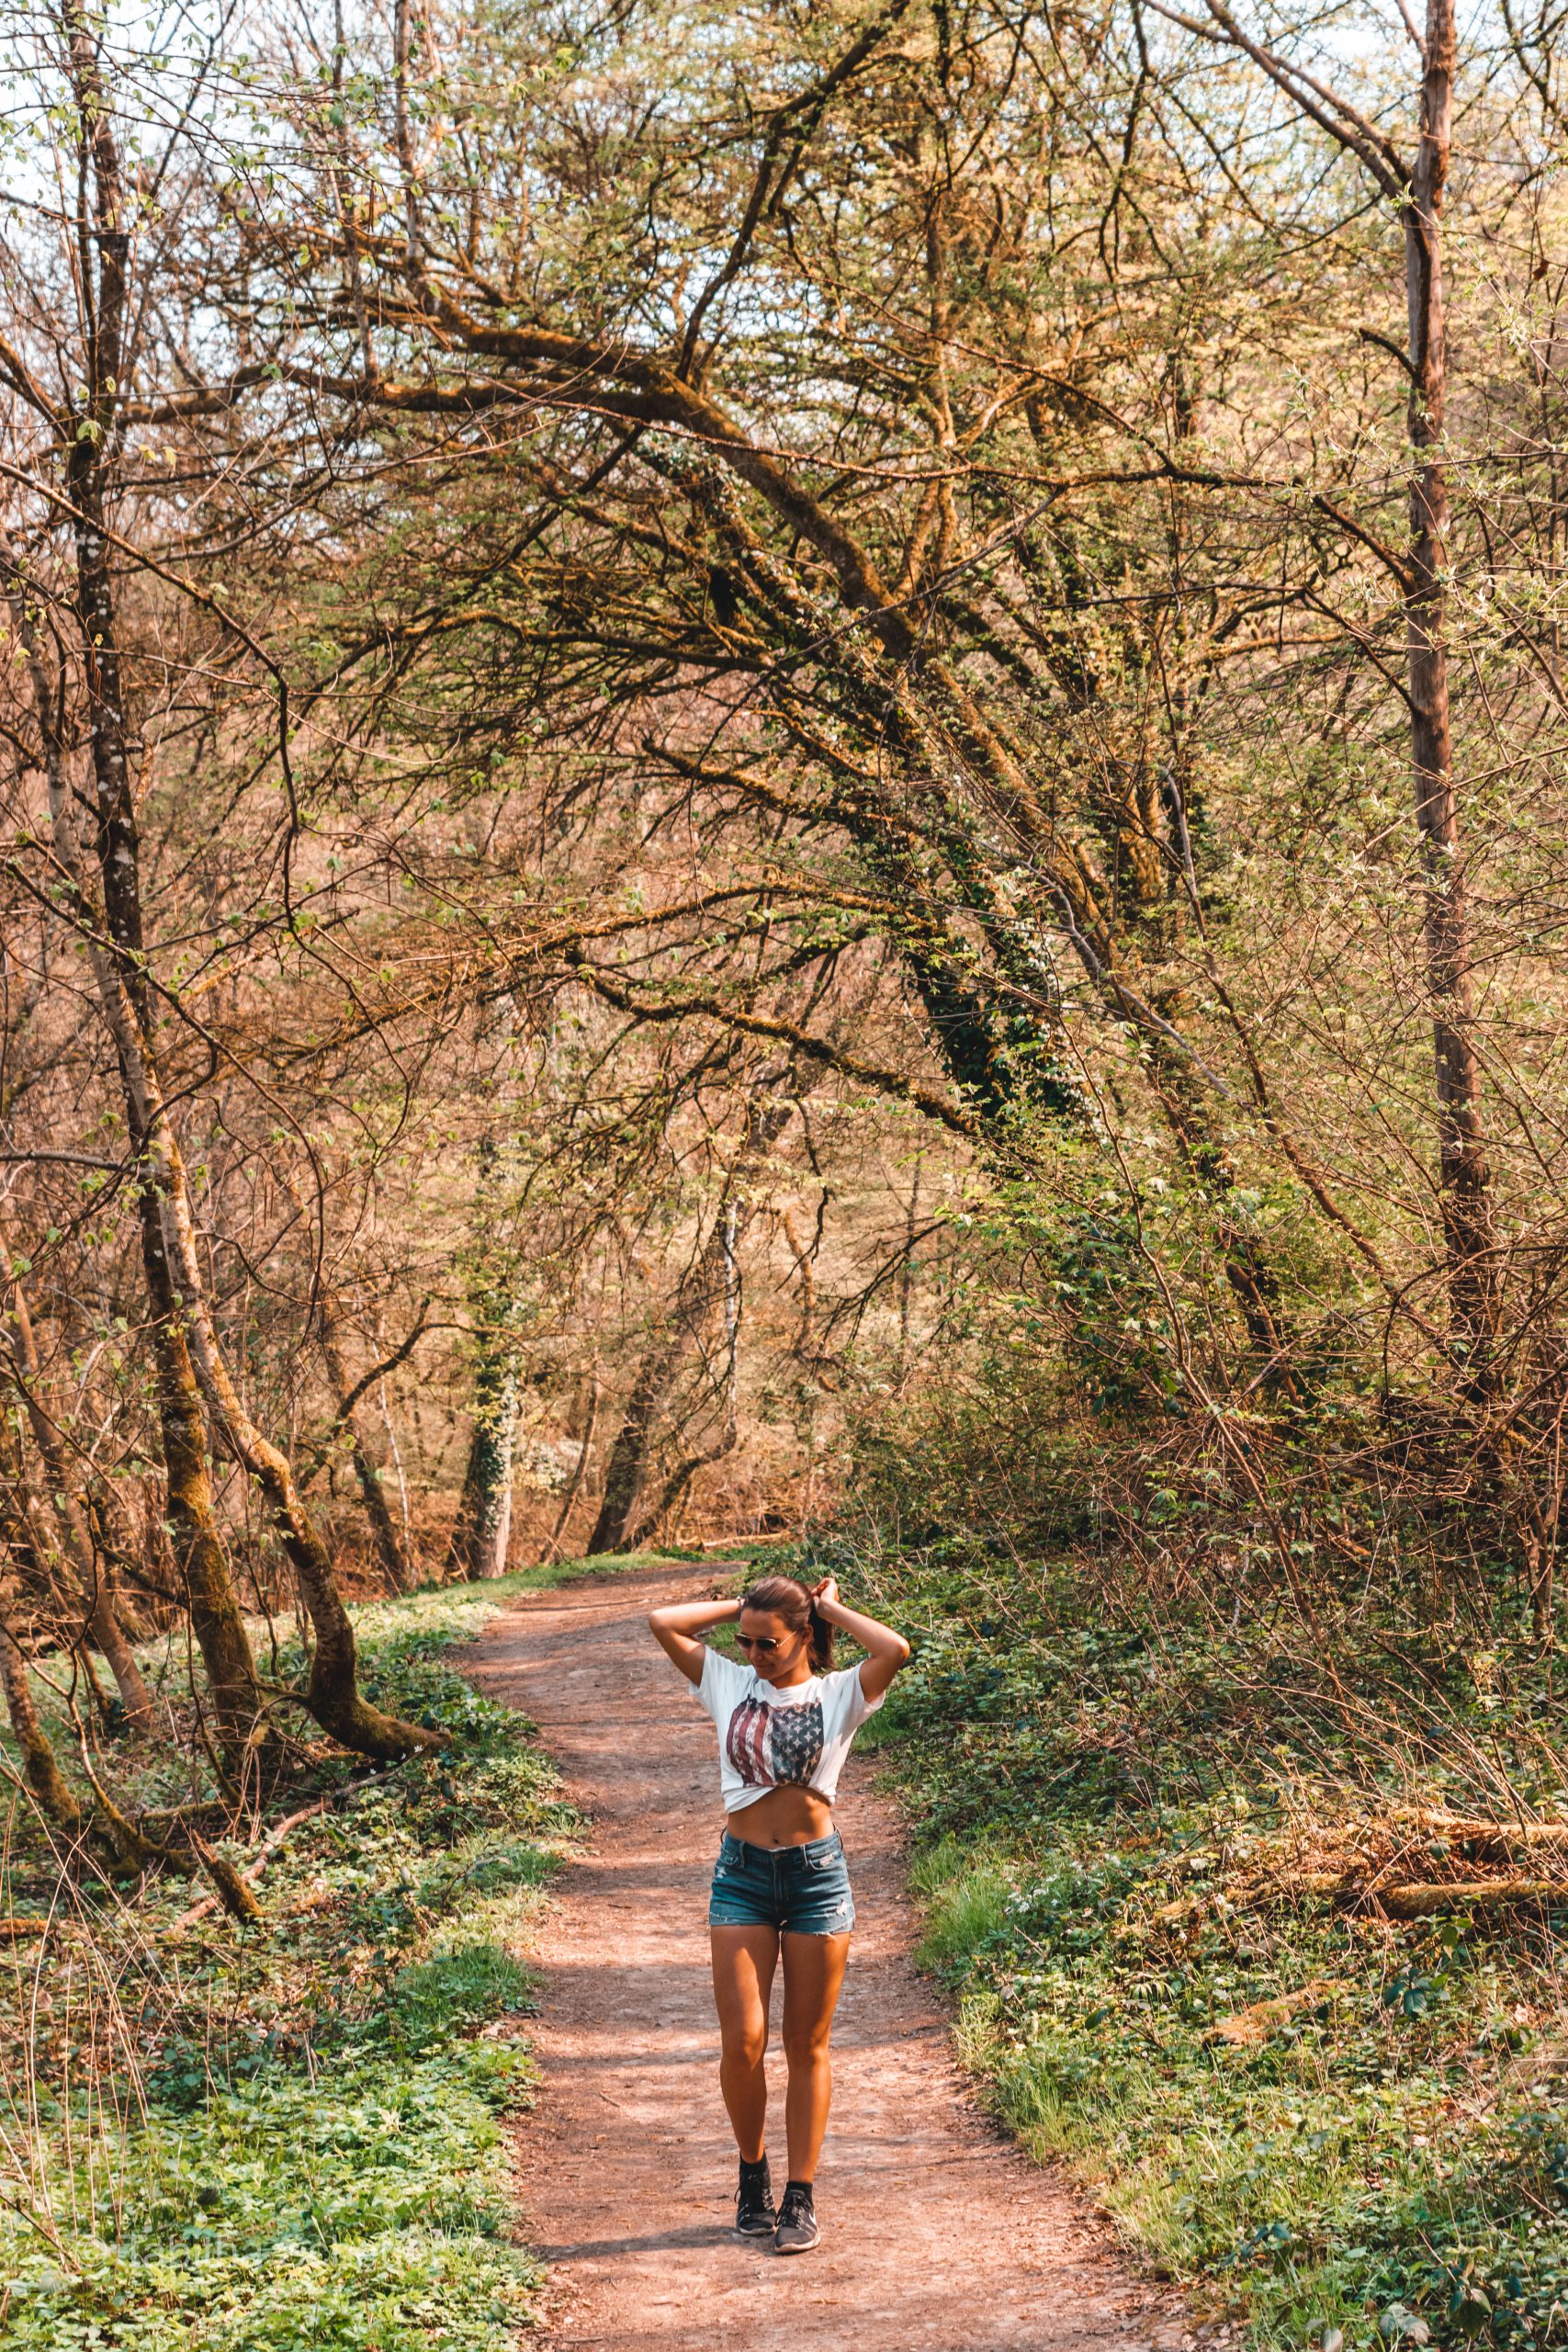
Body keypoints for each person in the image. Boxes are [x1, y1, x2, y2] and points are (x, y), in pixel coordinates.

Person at [647, 1570, 911, 2255]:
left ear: (802, 1638)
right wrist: (745, 1607)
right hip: (741, 1876)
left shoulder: (839, 1693)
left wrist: (829, 1609)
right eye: (746, 1642)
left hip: (816, 1878)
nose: (754, 1654)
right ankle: (752, 2174)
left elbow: (895, 1650)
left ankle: (800, 2194)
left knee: (805, 2045)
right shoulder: (728, 1683)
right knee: (742, 2041)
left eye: (768, 1643)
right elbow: (663, 1621)